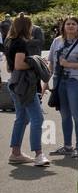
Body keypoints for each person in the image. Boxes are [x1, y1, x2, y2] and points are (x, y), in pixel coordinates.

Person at [5, 14, 50, 167]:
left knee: (22, 118)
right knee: (38, 118)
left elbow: (10, 67)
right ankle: (39, 154)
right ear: (27, 26)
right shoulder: (21, 43)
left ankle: (15, 153)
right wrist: (36, 64)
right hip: (25, 85)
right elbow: (19, 65)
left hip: (15, 83)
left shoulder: (9, 41)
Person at [48, 16, 78, 157]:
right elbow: (51, 62)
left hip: (74, 81)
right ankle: (67, 146)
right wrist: (46, 82)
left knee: (77, 114)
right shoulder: (57, 41)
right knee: (65, 115)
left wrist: (69, 65)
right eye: (68, 24)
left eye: (74, 24)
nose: (70, 26)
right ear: (63, 27)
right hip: (59, 81)